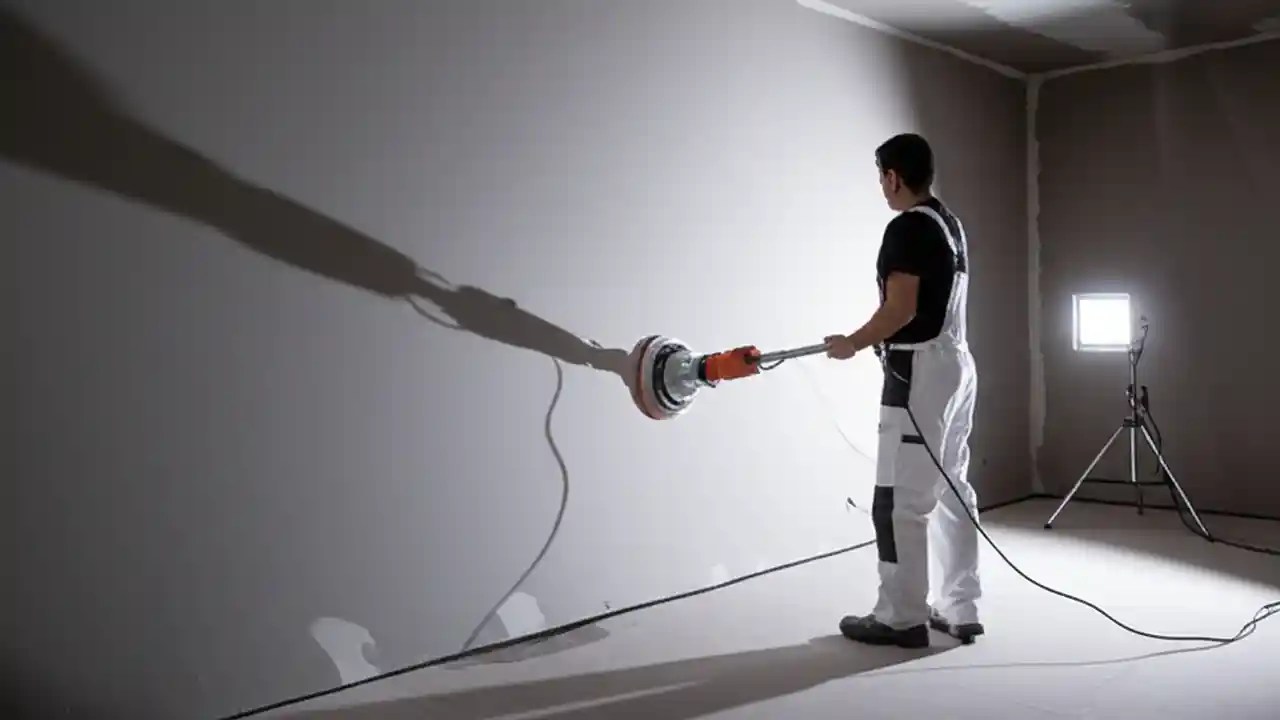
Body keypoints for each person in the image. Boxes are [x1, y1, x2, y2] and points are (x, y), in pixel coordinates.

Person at [824, 133, 983, 647]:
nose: (882, 188)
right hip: (958, 366)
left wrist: (852, 342)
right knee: (955, 487)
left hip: (917, 373)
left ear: (893, 176)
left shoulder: (906, 227)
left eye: (881, 178)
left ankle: (900, 616)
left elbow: (900, 311)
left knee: (898, 501)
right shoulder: (949, 224)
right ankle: (960, 608)